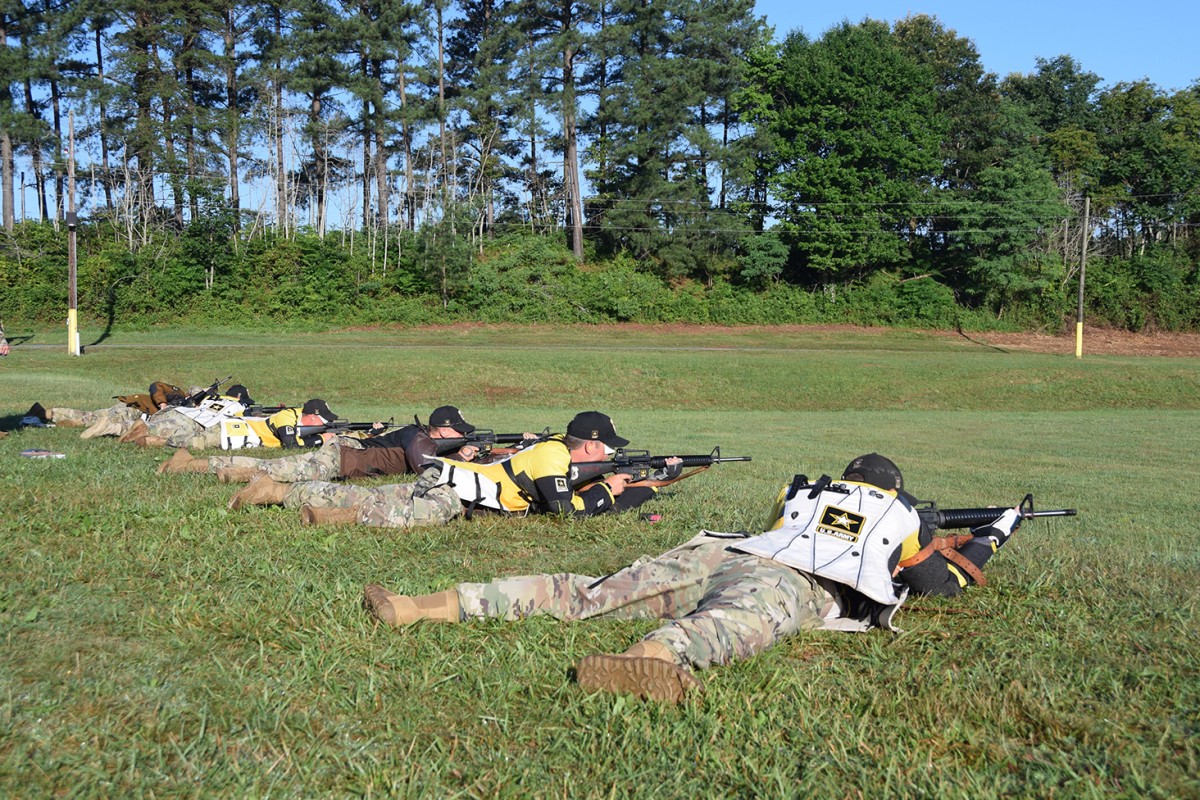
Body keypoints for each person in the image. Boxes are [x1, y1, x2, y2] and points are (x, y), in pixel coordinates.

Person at [360, 453, 1025, 704]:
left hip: (724, 552)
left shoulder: (807, 491)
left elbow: (786, 528)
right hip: (789, 582)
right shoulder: (900, 512)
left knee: (588, 590)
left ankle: (421, 606)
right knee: (731, 626)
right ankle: (650, 658)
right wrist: (991, 537)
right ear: (896, 489)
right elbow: (938, 585)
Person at [227, 410, 678, 525]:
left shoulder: (556, 453)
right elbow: (563, 512)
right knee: (403, 513)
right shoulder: (552, 456)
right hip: (455, 493)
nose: (610, 456)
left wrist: (647, 486)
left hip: (453, 484)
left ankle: (279, 492)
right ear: (591, 447)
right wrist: (611, 491)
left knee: (380, 498)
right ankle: (310, 506)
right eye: (607, 450)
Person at [160, 405, 498, 484]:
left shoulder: (430, 441)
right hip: (338, 459)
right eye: (460, 434)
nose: (463, 437)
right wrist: (464, 458)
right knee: (271, 468)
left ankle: (197, 463)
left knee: (272, 469)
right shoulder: (417, 437)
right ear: (442, 431)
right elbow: (426, 467)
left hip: (344, 461)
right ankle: (191, 464)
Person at [119, 384, 256, 449]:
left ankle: (145, 426)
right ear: (239, 396)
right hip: (198, 422)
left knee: (164, 425)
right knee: (173, 436)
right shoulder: (240, 405)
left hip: (183, 412)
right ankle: (146, 434)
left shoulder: (212, 398)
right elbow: (247, 420)